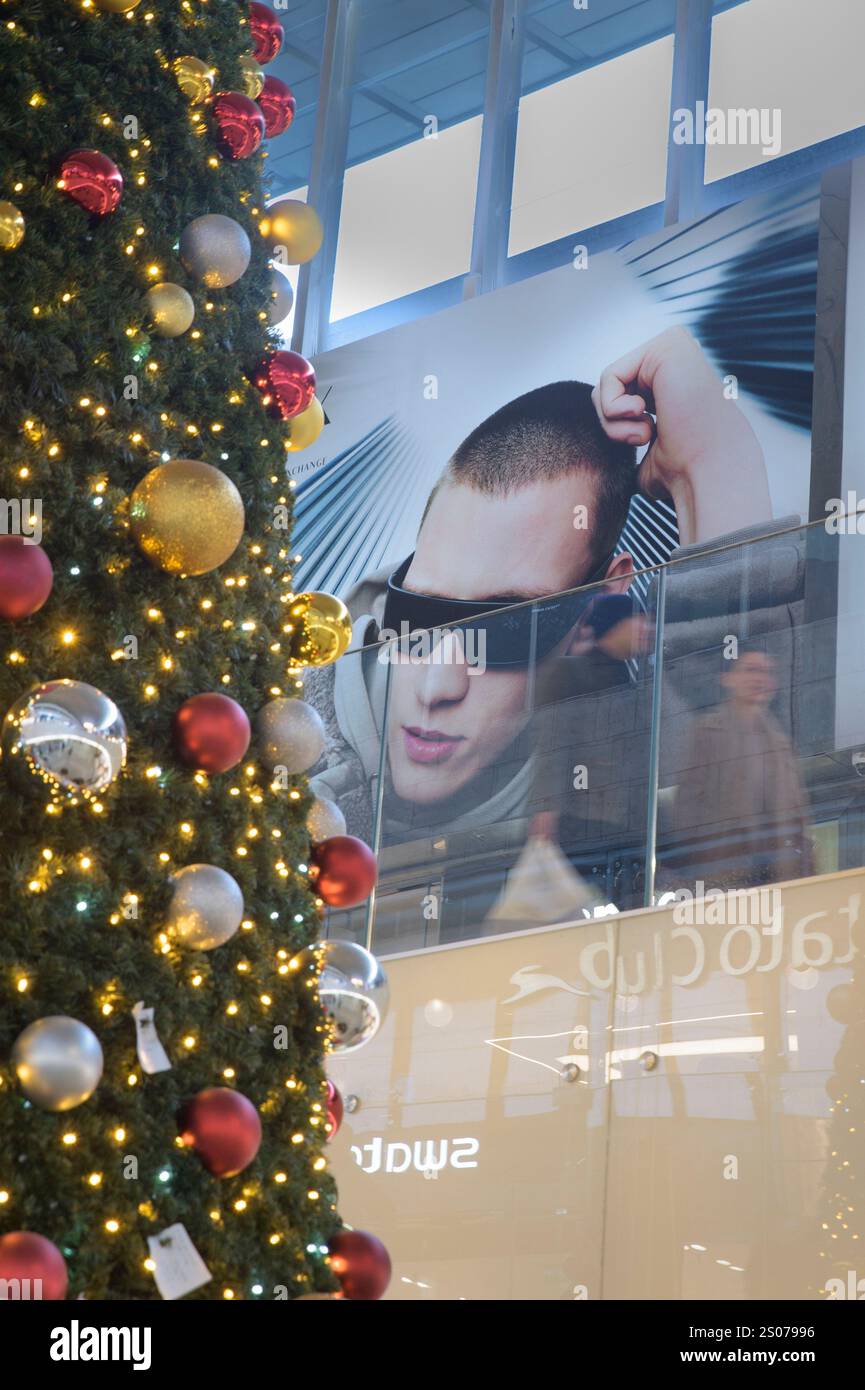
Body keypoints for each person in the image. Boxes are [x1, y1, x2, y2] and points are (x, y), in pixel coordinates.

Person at [307, 327, 777, 843]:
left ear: (602, 597)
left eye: (506, 627)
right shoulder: (284, 736)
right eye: (415, 618)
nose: (437, 686)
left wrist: (717, 463)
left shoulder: (626, 749)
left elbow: (755, 803)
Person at [667, 646, 814, 891]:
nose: (760, 679)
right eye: (751, 670)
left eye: (767, 672)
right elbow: (688, 806)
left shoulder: (780, 743)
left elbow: (798, 814)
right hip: (722, 872)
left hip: (776, 875)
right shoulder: (706, 732)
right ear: (728, 678)